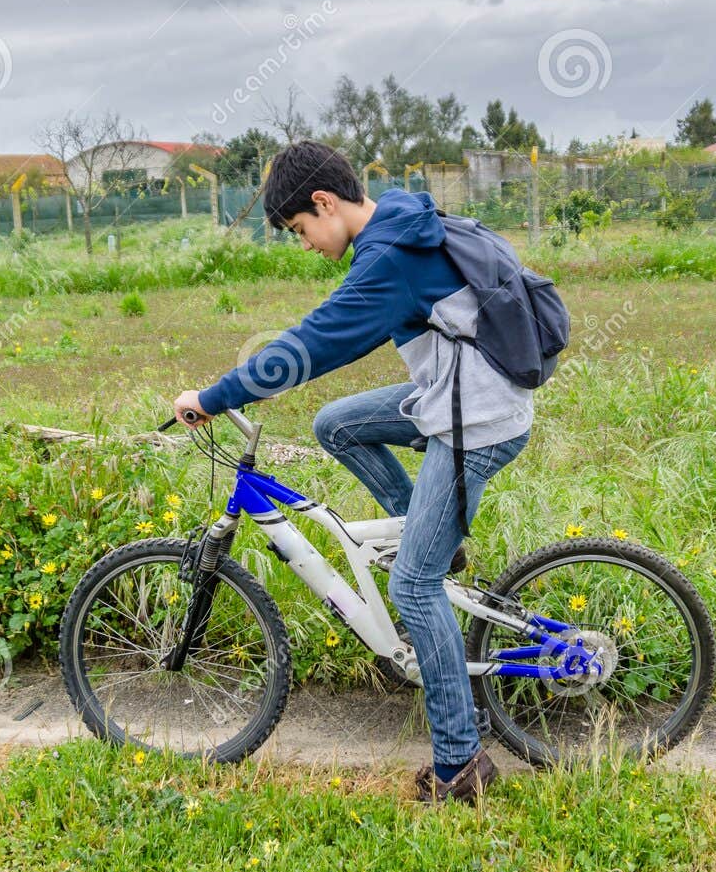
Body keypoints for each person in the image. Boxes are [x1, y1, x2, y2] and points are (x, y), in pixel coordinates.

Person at [172, 140, 532, 804]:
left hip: (474, 419)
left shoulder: (388, 258)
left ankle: (460, 766)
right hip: (458, 393)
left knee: (412, 586)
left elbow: (314, 342)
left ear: (324, 202)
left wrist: (215, 396)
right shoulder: (395, 219)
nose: (303, 244)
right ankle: (430, 536)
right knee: (335, 423)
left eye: (299, 229)